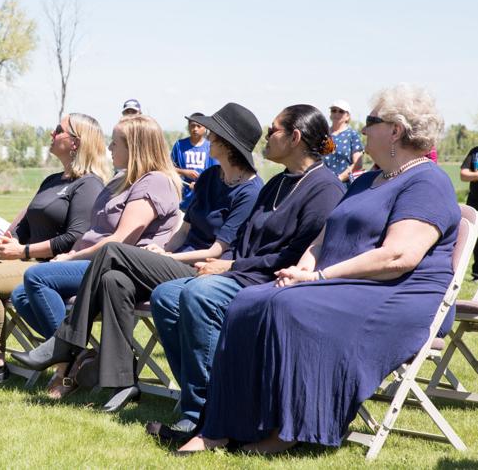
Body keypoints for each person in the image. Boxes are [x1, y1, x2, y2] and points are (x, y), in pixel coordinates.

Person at [178, 85, 457, 455]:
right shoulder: (365, 181)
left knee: (287, 307)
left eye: (371, 122)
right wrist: (304, 268)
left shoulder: (427, 181)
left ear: (396, 130)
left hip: (400, 294)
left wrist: (321, 277)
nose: (362, 129)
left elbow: (397, 258)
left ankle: (291, 428)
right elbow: (322, 239)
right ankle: (226, 426)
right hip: (347, 284)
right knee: (249, 300)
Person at [11, 103, 264, 409]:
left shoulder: (250, 191)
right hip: (173, 262)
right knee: (115, 280)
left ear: (227, 143)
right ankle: (123, 383)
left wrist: (169, 257)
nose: (207, 137)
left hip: (203, 271)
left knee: (115, 250)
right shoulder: (211, 177)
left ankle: (66, 343)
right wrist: (165, 250)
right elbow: (183, 230)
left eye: (213, 133)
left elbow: (216, 251)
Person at [140, 104, 346, 442]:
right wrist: (219, 264)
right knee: (166, 295)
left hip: (273, 281)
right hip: (244, 272)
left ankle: (212, 418)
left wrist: (230, 266)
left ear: (295, 138)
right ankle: (197, 406)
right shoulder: (278, 183)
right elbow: (246, 239)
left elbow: (294, 255)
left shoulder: (324, 190)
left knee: (198, 294)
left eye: (274, 129)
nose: (267, 135)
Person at [8, 115, 185, 385]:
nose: (110, 148)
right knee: (22, 294)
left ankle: (62, 361)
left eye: (116, 143)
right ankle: (78, 360)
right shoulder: (120, 181)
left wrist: (69, 257)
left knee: (37, 277)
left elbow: (121, 240)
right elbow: (93, 231)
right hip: (91, 262)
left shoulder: (155, 182)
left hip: (120, 272)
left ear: (135, 148)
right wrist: (71, 255)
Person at [0, 113, 110, 385]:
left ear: (76, 143)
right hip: (26, 257)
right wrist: (9, 241)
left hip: (51, 266)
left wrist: (23, 251)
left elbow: (75, 237)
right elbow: (30, 221)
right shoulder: (52, 180)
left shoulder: (89, 184)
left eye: (59, 130)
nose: (51, 134)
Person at [171, 113, 220, 210]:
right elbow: (167, 169)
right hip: (183, 202)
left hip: (204, 202)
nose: (195, 129)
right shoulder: (179, 145)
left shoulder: (210, 146)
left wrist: (201, 183)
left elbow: (216, 173)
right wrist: (184, 172)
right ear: (188, 127)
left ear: (205, 128)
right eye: (192, 126)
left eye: (199, 126)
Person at [322, 99, 364, 183]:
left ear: (347, 116)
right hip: (323, 182)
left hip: (344, 185)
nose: (337, 114)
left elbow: (358, 164)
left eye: (341, 111)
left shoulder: (352, 135)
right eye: (334, 111)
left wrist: (339, 179)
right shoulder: (323, 134)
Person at [460, 144, 478, 280]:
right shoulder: (475, 152)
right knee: (475, 237)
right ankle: (477, 272)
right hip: (475, 201)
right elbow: (463, 175)